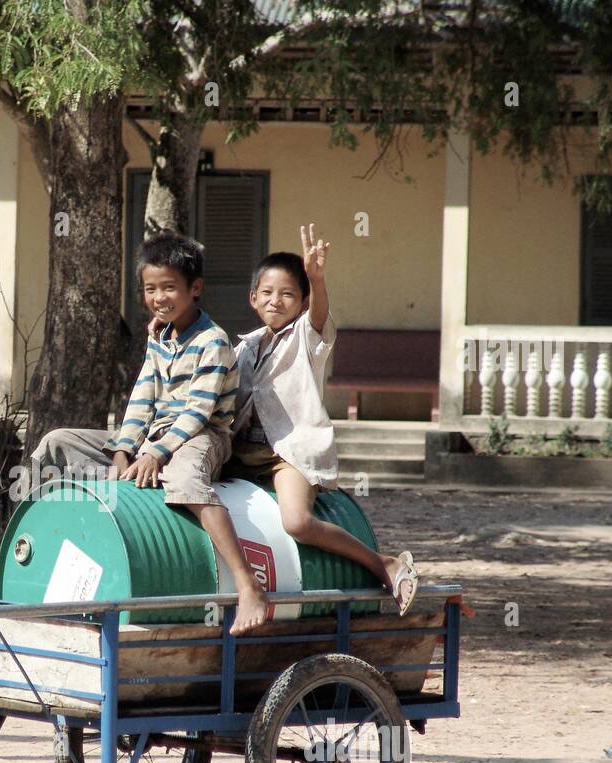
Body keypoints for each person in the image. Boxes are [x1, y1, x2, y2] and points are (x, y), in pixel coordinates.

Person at [32, 231, 271, 633]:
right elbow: (142, 395)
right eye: (150, 289)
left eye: (169, 288)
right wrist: (124, 450)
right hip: (151, 439)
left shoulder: (213, 342)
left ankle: (247, 584)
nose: (159, 297)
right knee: (57, 443)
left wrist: (156, 454)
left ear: (195, 289)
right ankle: (53, 542)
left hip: (201, 437)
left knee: (184, 480)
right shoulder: (158, 335)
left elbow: (198, 411)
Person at [225, 225, 420, 614]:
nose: (276, 301)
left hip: (286, 455)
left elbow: (319, 316)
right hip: (242, 453)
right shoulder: (244, 347)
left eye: (287, 294)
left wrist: (316, 278)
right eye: (267, 293)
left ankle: (384, 562)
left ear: (301, 302)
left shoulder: (306, 336)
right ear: (252, 299)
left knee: (296, 522)